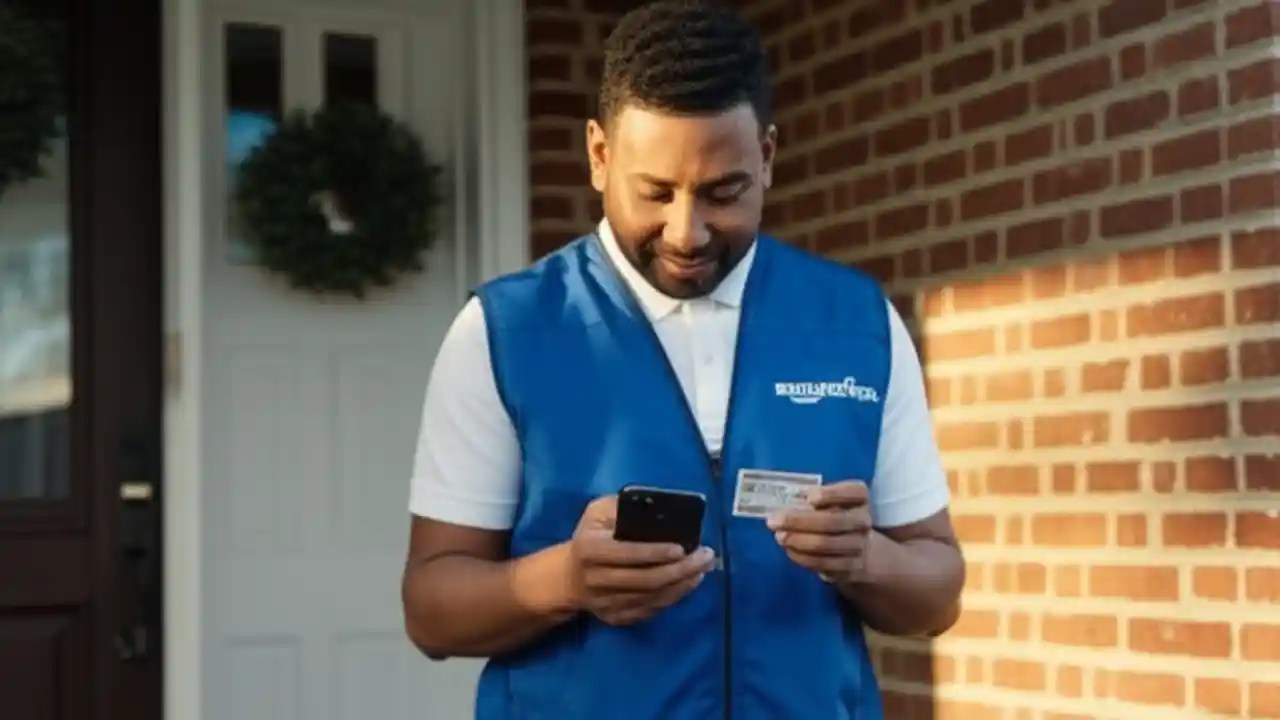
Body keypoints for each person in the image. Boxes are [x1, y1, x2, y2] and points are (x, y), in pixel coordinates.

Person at [400, 1, 963, 717]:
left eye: (723, 192)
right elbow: (431, 610)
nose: (686, 231)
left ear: (766, 156)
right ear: (599, 156)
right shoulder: (504, 331)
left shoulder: (858, 324)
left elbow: (938, 593)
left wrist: (868, 559)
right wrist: (564, 581)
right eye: (655, 193)